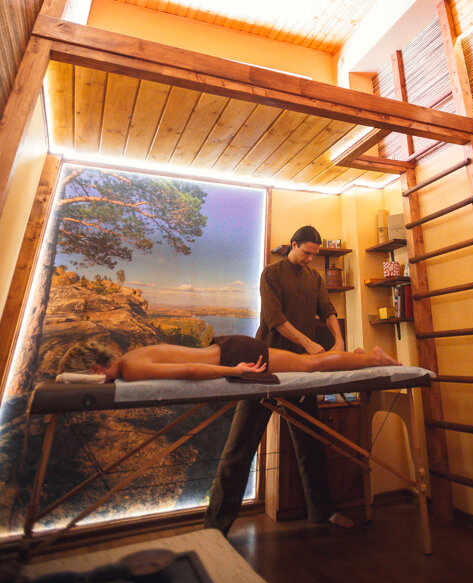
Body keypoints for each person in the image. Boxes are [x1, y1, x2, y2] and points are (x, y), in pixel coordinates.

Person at [205, 225, 362, 535]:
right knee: (239, 449)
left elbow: (327, 310)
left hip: (300, 370)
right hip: (264, 366)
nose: (310, 259)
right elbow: (275, 318)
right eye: (307, 253)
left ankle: (323, 511)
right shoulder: (271, 274)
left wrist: (339, 340)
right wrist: (309, 344)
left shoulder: (315, 278)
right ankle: (215, 528)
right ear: (293, 245)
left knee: (311, 443)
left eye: (315, 255)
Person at [60, 333, 399, 383]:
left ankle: (374, 359)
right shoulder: (131, 356)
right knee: (309, 363)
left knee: (311, 365)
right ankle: (358, 357)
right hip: (227, 345)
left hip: (235, 354)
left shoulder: (131, 369)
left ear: (95, 369)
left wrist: (233, 370)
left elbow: (191, 370)